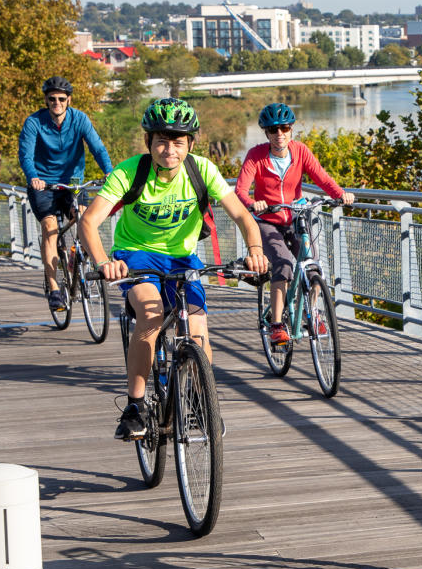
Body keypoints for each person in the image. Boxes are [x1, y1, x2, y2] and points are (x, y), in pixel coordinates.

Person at [78, 98, 268, 441]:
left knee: (197, 331)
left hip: (183, 259)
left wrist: (255, 251)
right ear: (148, 142)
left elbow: (242, 216)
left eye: (178, 142)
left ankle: (198, 398)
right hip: (136, 256)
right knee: (151, 316)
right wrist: (104, 262)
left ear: (190, 144)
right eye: (162, 141)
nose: (170, 150)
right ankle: (135, 406)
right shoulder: (129, 171)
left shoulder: (203, 170)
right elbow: (89, 221)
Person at [233, 103, 355, 345]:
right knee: (283, 264)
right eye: (274, 130)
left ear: (291, 130)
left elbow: (321, 177)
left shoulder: (300, 151)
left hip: (295, 216)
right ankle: (277, 325)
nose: (280, 135)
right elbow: (240, 190)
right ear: (266, 133)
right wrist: (252, 203)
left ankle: (313, 314)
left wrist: (341, 194)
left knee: (312, 267)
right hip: (267, 221)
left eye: (285, 129)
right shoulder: (256, 156)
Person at [18, 76, 114, 311]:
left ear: (68, 100)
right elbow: (26, 156)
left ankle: (74, 255)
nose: (57, 103)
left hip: (72, 184)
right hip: (44, 186)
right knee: (50, 229)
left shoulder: (79, 119)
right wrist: (33, 178)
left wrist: (111, 173)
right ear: (46, 100)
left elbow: (97, 148)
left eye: (61, 99)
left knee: (83, 218)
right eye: (52, 99)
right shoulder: (34, 122)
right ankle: (54, 290)